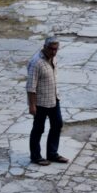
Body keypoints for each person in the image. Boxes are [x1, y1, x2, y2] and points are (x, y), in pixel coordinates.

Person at [26, 36, 67, 166]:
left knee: (57, 125)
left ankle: (52, 154)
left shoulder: (53, 58)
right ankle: (36, 156)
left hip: (54, 99)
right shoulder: (36, 63)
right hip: (40, 103)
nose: (54, 52)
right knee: (38, 129)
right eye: (51, 49)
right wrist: (32, 106)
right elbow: (31, 87)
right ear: (44, 47)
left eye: (56, 49)